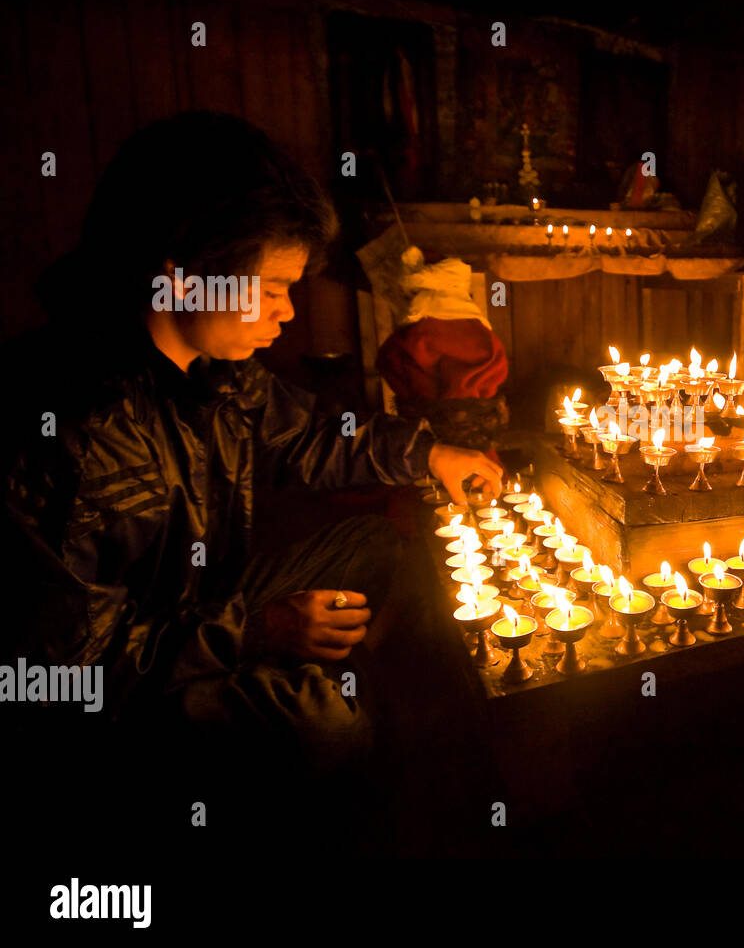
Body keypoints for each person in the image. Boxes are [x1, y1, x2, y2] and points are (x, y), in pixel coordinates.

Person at [0, 113, 503, 833]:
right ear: (183, 277)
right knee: (322, 723)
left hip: (200, 612)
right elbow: (69, 675)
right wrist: (254, 633)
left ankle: (379, 716)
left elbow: (315, 437)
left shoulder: (216, 369)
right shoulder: (65, 429)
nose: (287, 313)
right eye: (270, 290)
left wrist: (429, 453)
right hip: (101, 711)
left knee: (379, 543)